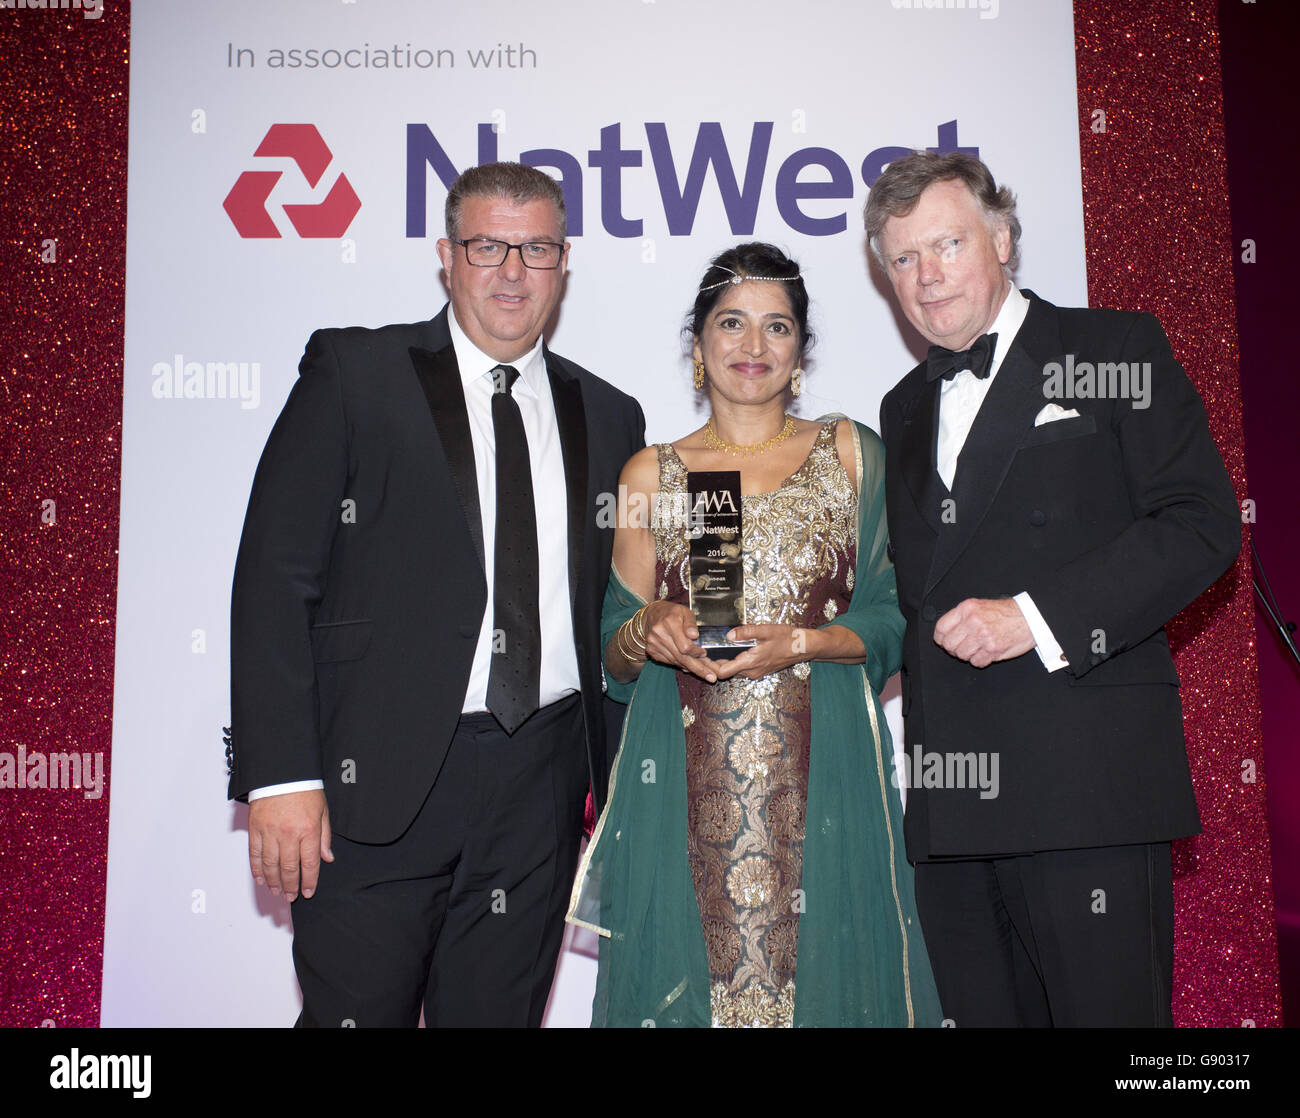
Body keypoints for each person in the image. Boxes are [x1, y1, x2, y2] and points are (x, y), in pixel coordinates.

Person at [227, 161, 645, 1027]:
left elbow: (619, 609)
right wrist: (280, 779)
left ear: (565, 262)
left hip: (543, 781)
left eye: (535, 248)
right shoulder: (355, 372)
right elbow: (274, 580)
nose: (512, 271)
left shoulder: (611, 416)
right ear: (447, 257)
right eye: (488, 245)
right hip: (371, 783)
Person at [867, 151, 1241, 1026]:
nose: (926, 277)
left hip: (1084, 785)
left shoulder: (1112, 348)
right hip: (953, 803)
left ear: (1002, 238)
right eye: (903, 259)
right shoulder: (901, 406)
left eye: (947, 244)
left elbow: (1200, 525)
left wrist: (1034, 619)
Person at [567, 242, 941, 1027]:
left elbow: (895, 616)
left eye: (777, 327)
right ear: (698, 341)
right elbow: (611, 653)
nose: (753, 346)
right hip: (687, 771)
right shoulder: (654, 475)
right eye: (731, 323)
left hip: (828, 763)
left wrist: (800, 644)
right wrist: (650, 627)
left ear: (800, 349)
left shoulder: (849, 453)